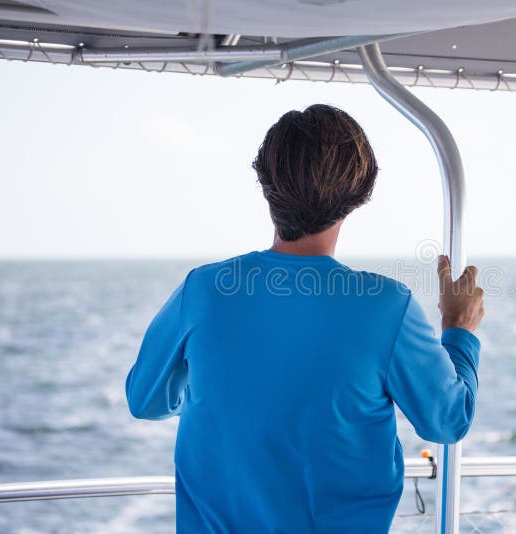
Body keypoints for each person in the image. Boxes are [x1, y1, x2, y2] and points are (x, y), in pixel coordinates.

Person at [125, 104, 485, 533]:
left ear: (265, 186)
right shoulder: (386, 306)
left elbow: (144, 400)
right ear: (358, 196)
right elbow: (447, 421)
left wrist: (223, 394)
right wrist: (459, 330)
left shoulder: (203, 291)